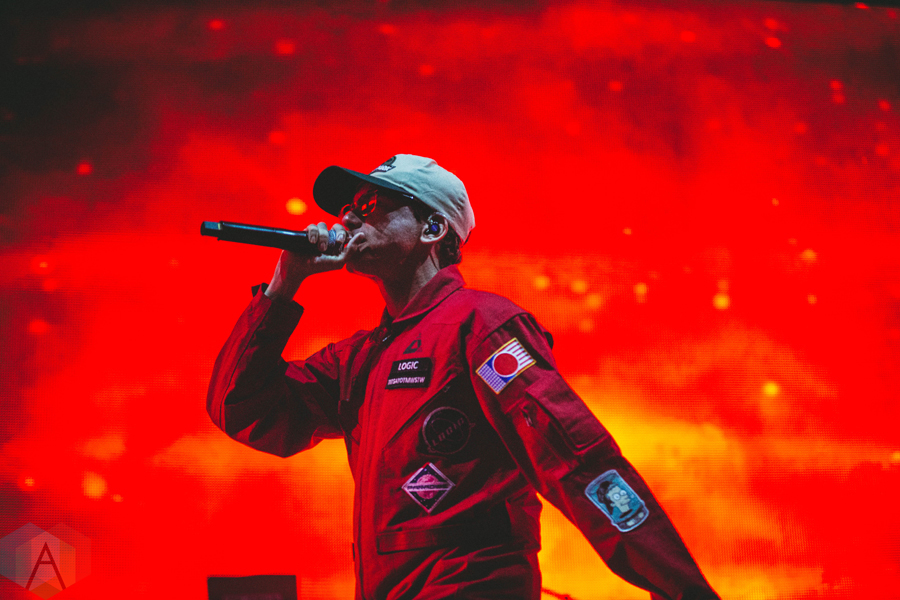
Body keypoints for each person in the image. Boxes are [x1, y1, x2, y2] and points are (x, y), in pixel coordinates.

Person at [206, 154, 719, 600]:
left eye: (369, 207)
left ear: (433, 230)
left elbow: (576, 461)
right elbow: (242, 409)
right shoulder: (360, 359)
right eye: (344, 210)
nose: (346, 220)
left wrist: (681, 588)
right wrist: (283, 283)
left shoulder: (482, 327)